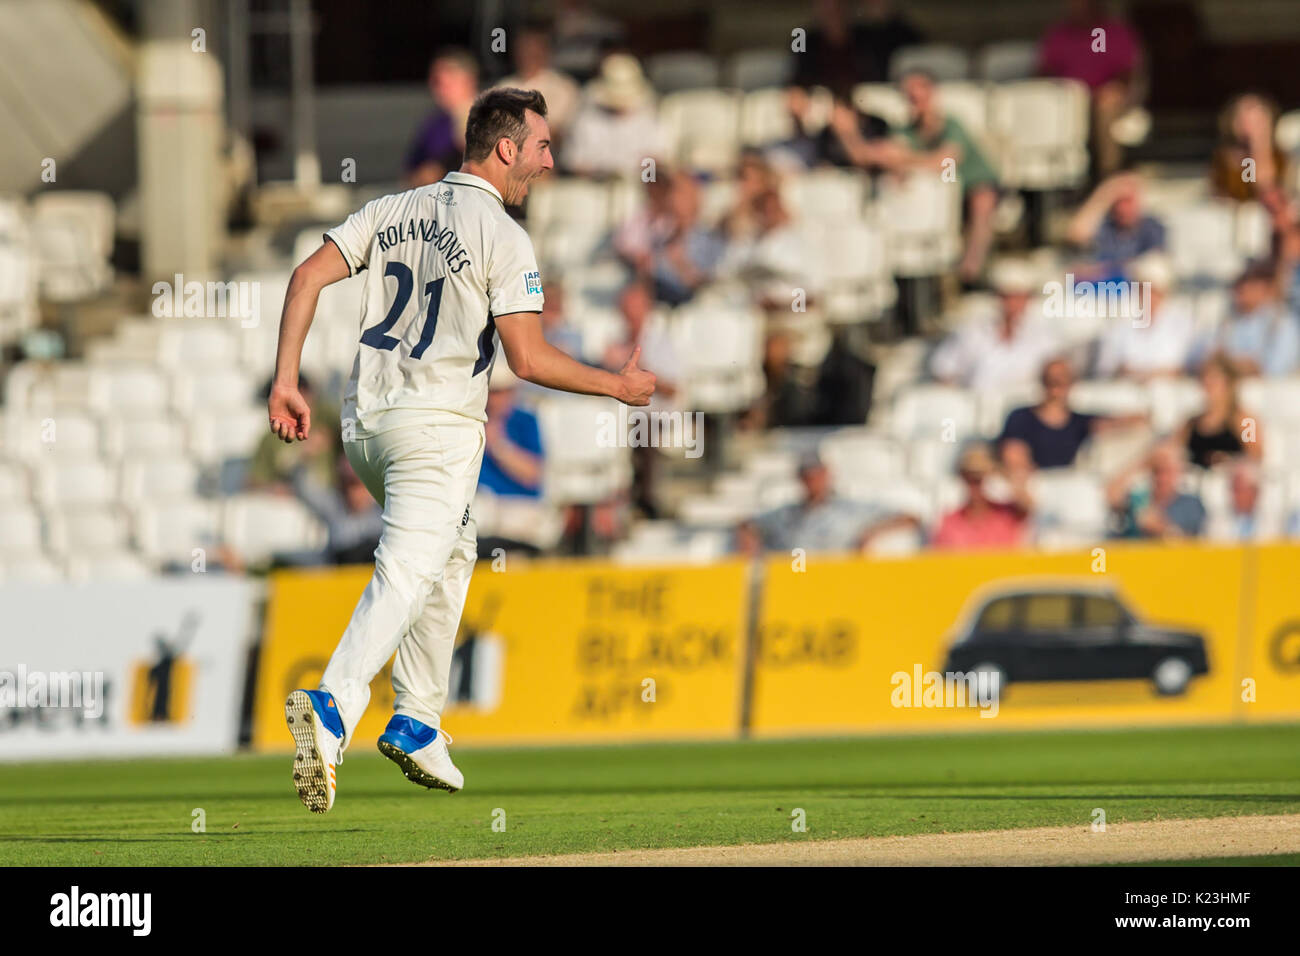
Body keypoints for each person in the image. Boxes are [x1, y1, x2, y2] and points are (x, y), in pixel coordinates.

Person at [269, 87, 656, 813]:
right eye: (540, 146)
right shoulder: (504, 237)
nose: (547, 161)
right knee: (411, 567)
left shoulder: (392, 208)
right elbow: (530, 359)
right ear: (505, 147)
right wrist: (618, 386)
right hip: (437, 425)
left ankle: (417, 719)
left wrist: (287, 381)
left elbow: (306, 276)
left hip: (365, 426)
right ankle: (333, 705)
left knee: (452, 550)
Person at [1037, 0, 1145, 179]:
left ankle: (1107, 176)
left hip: (1106, 99)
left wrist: (1114, 89)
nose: (1080, 9)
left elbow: (1127, 73)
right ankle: (1061, 180)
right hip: (1067, 100)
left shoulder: (1114, 33)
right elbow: (1044, 71)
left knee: (1105, 106)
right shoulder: (1059, 34)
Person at [736, 453, 919, 554]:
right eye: (807, 476)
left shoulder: (852, 509)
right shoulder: (786, 513)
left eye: (816, 475)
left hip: (837, 581)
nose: (812, 481)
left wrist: (871, 534)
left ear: (827, 475)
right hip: (791, 581)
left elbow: (910, 518)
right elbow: (747, 525)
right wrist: (752, 553)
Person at [930, 260, 1061, 391]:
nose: (1013, 303)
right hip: (977, 405)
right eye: (1007, 296)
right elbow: (943, 371)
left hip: (1025, 407)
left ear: (1028, 299)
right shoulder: (971, 331)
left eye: (1019, 296)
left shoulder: (1045, 336)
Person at [998, 357, 1144, 473]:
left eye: (1061, 380)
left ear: (1071, 383)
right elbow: (1014, 459)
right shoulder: (1020, 418)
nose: (1056, 387)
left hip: (1069, 489)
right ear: (1042, 382)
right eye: (1051, 380)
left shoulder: (1080, 422)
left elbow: (1122, 421)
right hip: (1033, 489)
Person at [563, 52, 666, 179]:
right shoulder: (586, 121)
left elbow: (655, 164)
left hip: (639, 188)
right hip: (594, 191)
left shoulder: (650, 120)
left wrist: (643, 181)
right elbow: (576, 164)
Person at [1093, 253, 1194, 379]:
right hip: (1124, 393)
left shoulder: (1181, 322)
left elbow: (1185, 367)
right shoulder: (1121, 320)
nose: (1148, 296)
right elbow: (1107, 365)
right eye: (1143, 288)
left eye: (1154, 290)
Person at [1193, 261, 1300, 377]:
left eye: (1250, 286)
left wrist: (1241, 366)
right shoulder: (1230, 323)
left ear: (1266, 288)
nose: (1242, 293)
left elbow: (1277, 368)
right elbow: (1211, 358)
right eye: (1240, 287)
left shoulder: (1282, 322)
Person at [1210, 93, 1293, 230]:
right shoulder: (1225, 160)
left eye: (1257, 118)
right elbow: (1248, 192)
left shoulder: (1283, 157)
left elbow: (1269, 191)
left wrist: (1259, 147)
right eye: (1243, 117)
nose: (1249, 123)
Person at [1064, 172, 1166, 281]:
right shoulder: (1106, 226)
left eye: (1128, 201)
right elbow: (1076, 235)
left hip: (1136, 291)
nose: (1123, 208)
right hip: (1101, 291)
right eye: (1118, 201)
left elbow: (1155, 266)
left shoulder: (1152, 227)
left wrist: (1105, 270)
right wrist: (1104, 194)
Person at [931, 442, 1032, 550]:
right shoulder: (949, 522)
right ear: (963, 479)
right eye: (970, 478)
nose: (976, 485)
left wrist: (1003, 475)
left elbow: (1028, 505)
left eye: (980, 478)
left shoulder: (1008, 514)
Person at [404, 48, 479, 187]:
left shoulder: (490, 119)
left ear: (468, 81)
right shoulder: (433, 124)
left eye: (445, 83)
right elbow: (411, 172)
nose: (438, 90)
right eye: (435, 83)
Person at [292, 452, 384, 565]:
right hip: (340, 576)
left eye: (359, 485)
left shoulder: (384, 507)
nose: (354, 493)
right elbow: (303, 488)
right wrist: (307, 455)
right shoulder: (334, 505)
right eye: (348, 485)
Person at [495, 23, 580, 141]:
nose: (527, 54)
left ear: (545, 51)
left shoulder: (564, 87)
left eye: (534, 48)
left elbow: (556, 132)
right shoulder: (503, 86)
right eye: (523, 48)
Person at [1178, 352, 1262, 470]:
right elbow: (1172, 450)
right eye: (1205, 380)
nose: (1208, 386)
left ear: (1229, 383)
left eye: (1214, 380)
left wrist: (1228, 461)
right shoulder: (1192, 423)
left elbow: (1255, 456)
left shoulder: (1245, 421)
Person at [1106, 440, 1206, 539]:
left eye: (1168, 471)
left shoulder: (1191, 504)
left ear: (1179, 472)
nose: (1162, 478)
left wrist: (1162, 529)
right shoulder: (1138, 498)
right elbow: (1111, 494)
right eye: (1156, 471)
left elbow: (1191, 543)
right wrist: (1143, 463)